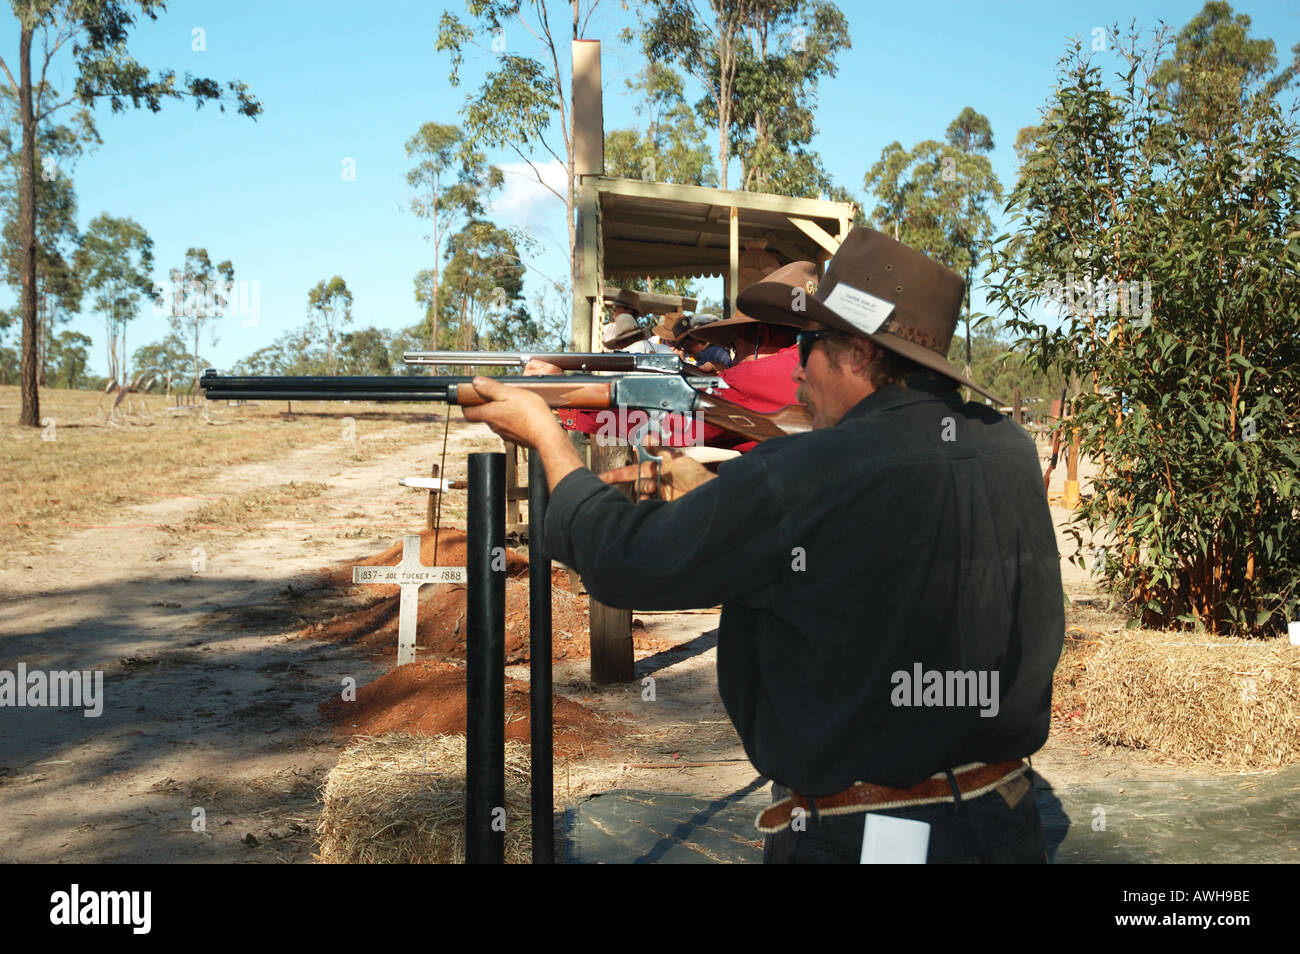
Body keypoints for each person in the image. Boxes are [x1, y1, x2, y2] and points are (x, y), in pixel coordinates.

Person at [461, 227, 1064, 864]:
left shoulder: (806, 471)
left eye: (807, 343)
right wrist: (718, 489)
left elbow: (623, 563)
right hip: (1004, 822)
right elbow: (878, 548)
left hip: (867, 838)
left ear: (858, 353)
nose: (795, 366)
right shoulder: (1008, 450)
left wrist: (544, 437)